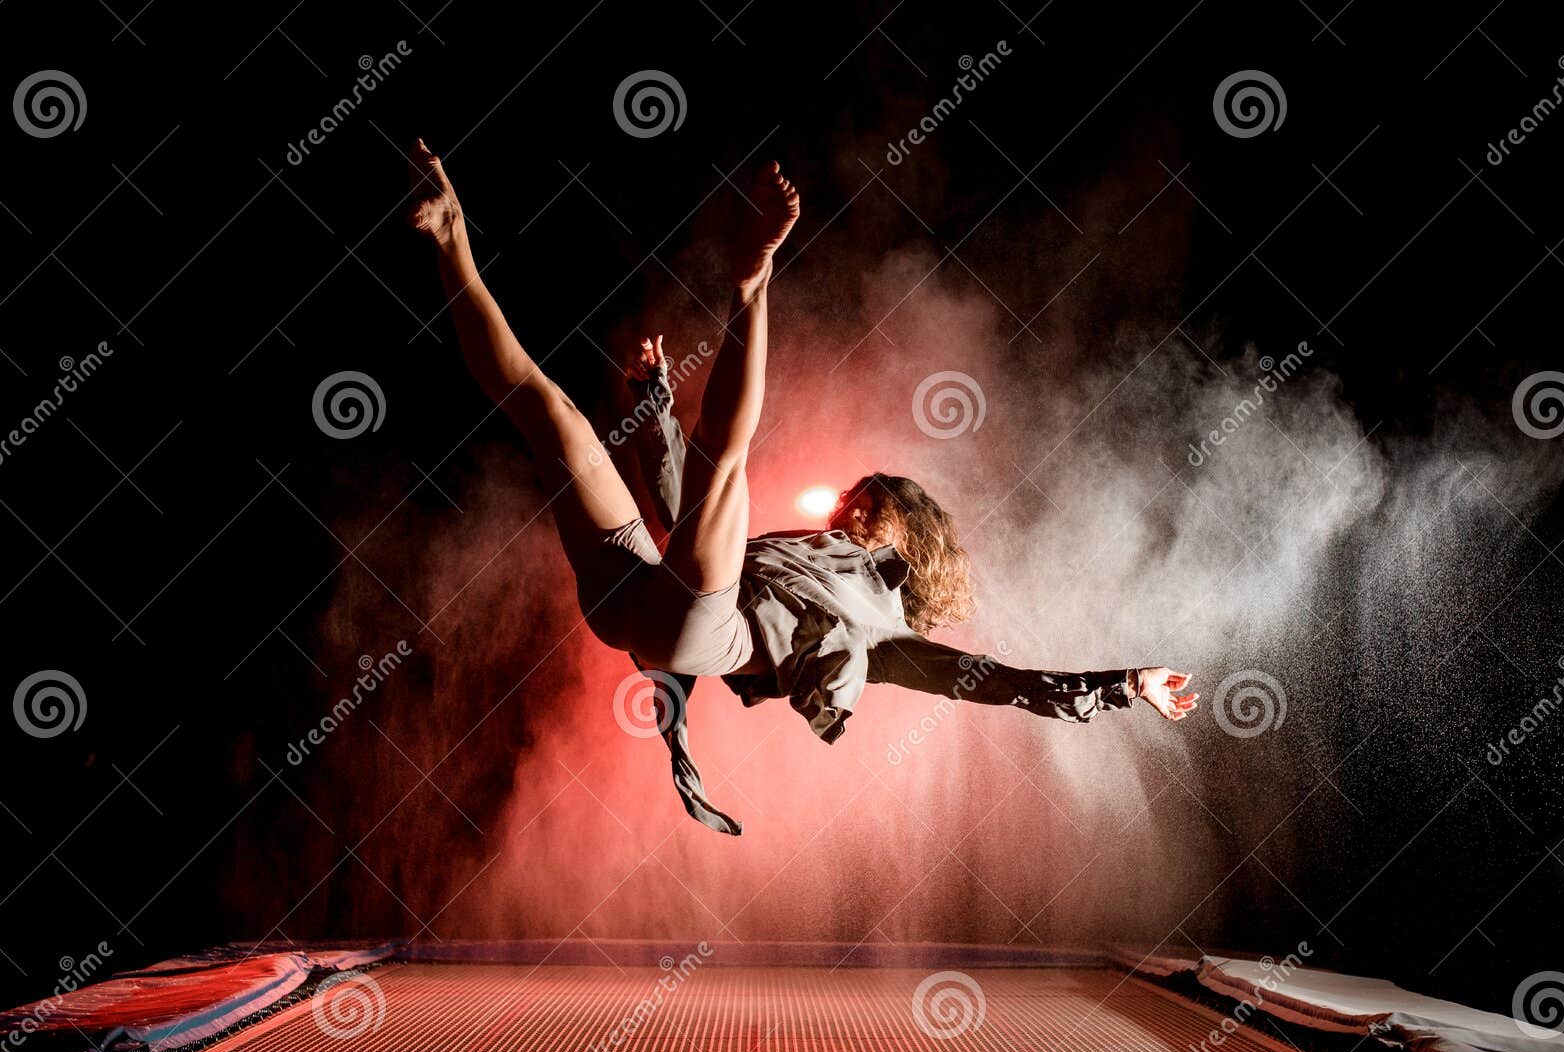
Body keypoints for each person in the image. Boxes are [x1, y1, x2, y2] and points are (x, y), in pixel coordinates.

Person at [407, 140, 1197, 836]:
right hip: (641, 597)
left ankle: (752, 285)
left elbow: (997, 683)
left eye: (868, 509)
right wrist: (654, 410)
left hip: (695, 627)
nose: (848, 511)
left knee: (730, 462)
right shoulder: (802, 553)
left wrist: (1124, 685)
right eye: (852, 500)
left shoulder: (888, 639)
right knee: (556, 414)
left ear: (908, 539)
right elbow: (685, 521)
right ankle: (451, 243)